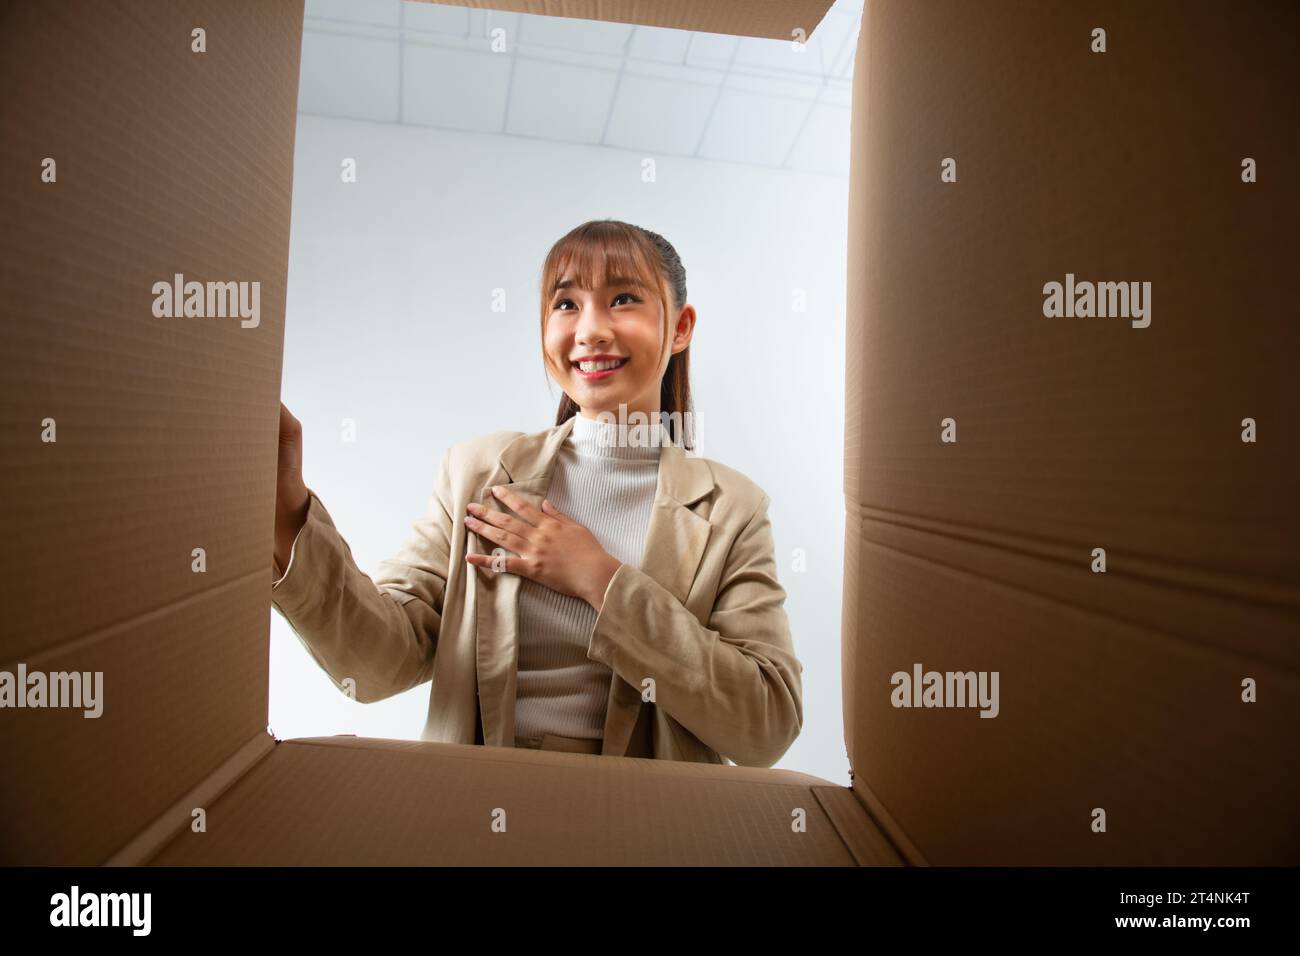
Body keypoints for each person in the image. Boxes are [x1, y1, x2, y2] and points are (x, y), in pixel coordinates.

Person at [271, 219, 803, 766]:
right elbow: (376, 666)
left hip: (646, 827)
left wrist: (599, 578)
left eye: (623, 298)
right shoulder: (476, 471)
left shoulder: (733, 507)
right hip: (478, 818)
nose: (590, 330)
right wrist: (288, 517)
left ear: (681, 327)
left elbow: (765, 726)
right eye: (566, 304)